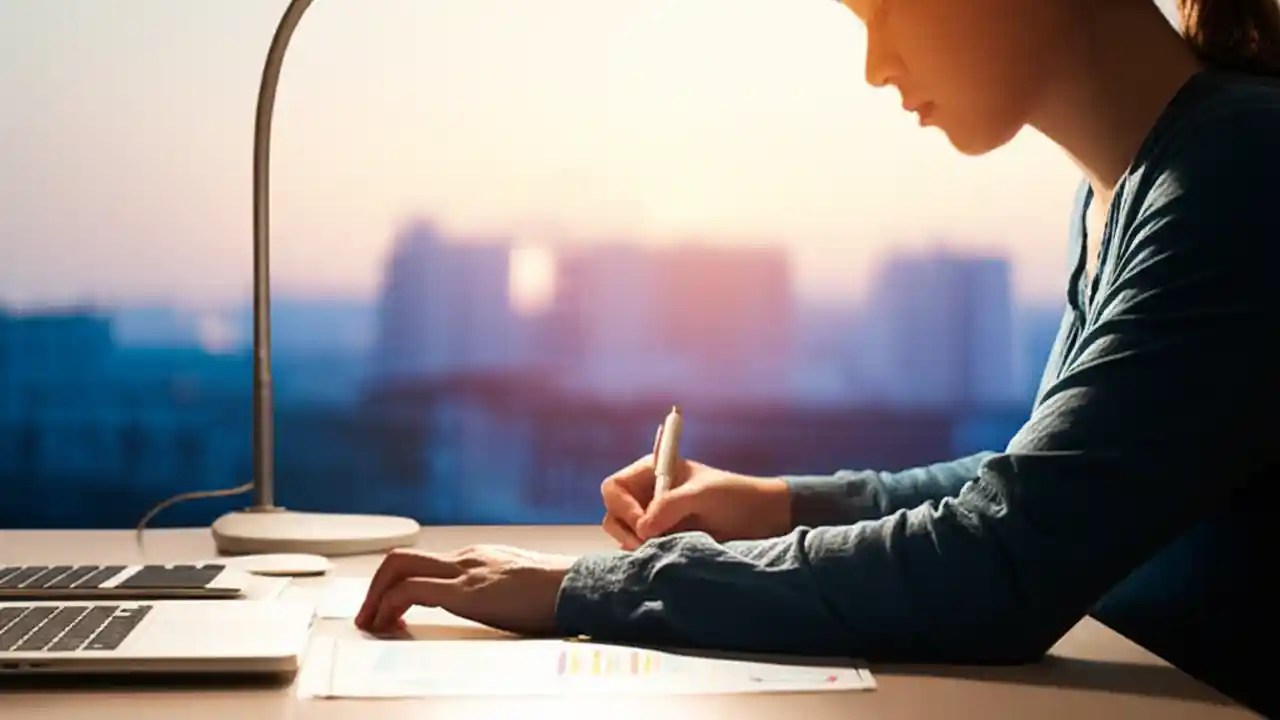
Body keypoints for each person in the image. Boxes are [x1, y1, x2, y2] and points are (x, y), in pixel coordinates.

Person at [356, 0, 1280, 713]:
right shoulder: (1134, 187)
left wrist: (592, 589)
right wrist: (775, 504)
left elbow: (1004, 566)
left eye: (885, 11)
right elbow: (1040, 489)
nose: (877, 66)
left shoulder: (1237, 171)